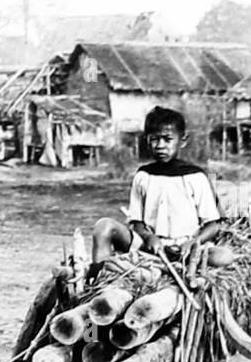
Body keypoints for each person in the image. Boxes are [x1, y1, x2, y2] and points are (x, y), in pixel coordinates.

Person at [91, 106, 222, 269]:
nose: (160, 145)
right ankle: (97, 279)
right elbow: (136, 222)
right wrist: (148, 237)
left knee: (222, 257)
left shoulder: (195, 177)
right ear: (147, 140)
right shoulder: (143, 176)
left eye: (167, 139)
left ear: (183, 140)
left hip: (186, 247)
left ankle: (171, 265)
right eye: (154, 139)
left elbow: (213, 224)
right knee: (104, 226)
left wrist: (194, 242)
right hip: (151, 246)